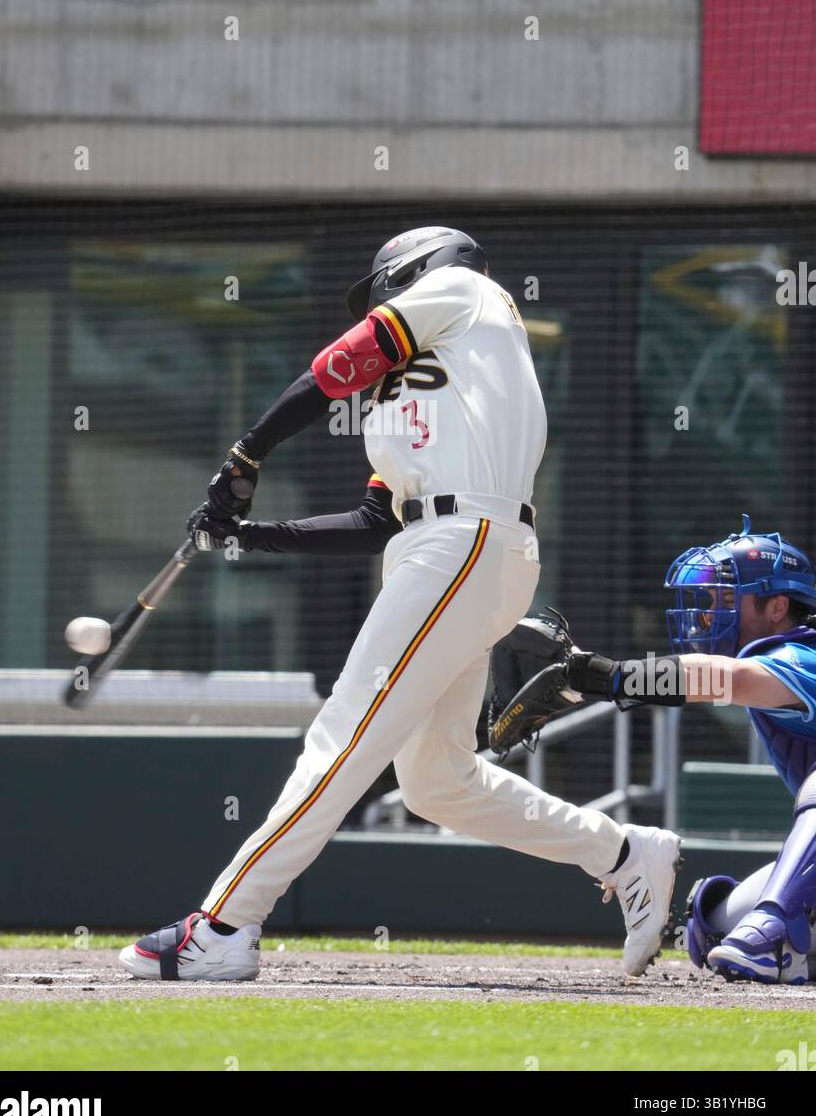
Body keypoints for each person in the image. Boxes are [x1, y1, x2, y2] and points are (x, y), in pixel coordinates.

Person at [119, 226, 681, 983]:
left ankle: (222, 924)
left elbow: (335, 367)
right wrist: (248, 535)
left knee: (344, 732)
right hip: (444, 548)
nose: (381, 301)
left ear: (413, 269)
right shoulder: (432, 382)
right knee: (436, 782)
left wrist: (246, 455)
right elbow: (374, 522)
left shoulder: (466, 292)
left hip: (465, 538)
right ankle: (624, 854)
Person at [521, 517, 816, 984]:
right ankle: (780, 939)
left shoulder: (802, 655)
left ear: (777, 606)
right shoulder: (774, 655)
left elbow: (728, 680)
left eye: (724, 600)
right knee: (717, 926)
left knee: (761, 933)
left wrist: (607, 676)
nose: (705, 615)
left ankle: (777, 930)